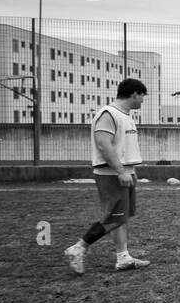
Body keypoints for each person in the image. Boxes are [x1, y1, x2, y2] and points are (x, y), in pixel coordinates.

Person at [64, 78, 151, 274]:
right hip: (111, 173)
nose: (143, 100)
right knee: (114, 217)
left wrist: (129, 171)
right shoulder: (108, 113)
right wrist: (120, 171)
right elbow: (104, 144)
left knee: (121, 216)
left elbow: (122, 146)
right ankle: (78, 248)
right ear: (134, 93)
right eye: (142, 95)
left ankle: (123, 257)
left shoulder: (125, 115)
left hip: (123, 172)